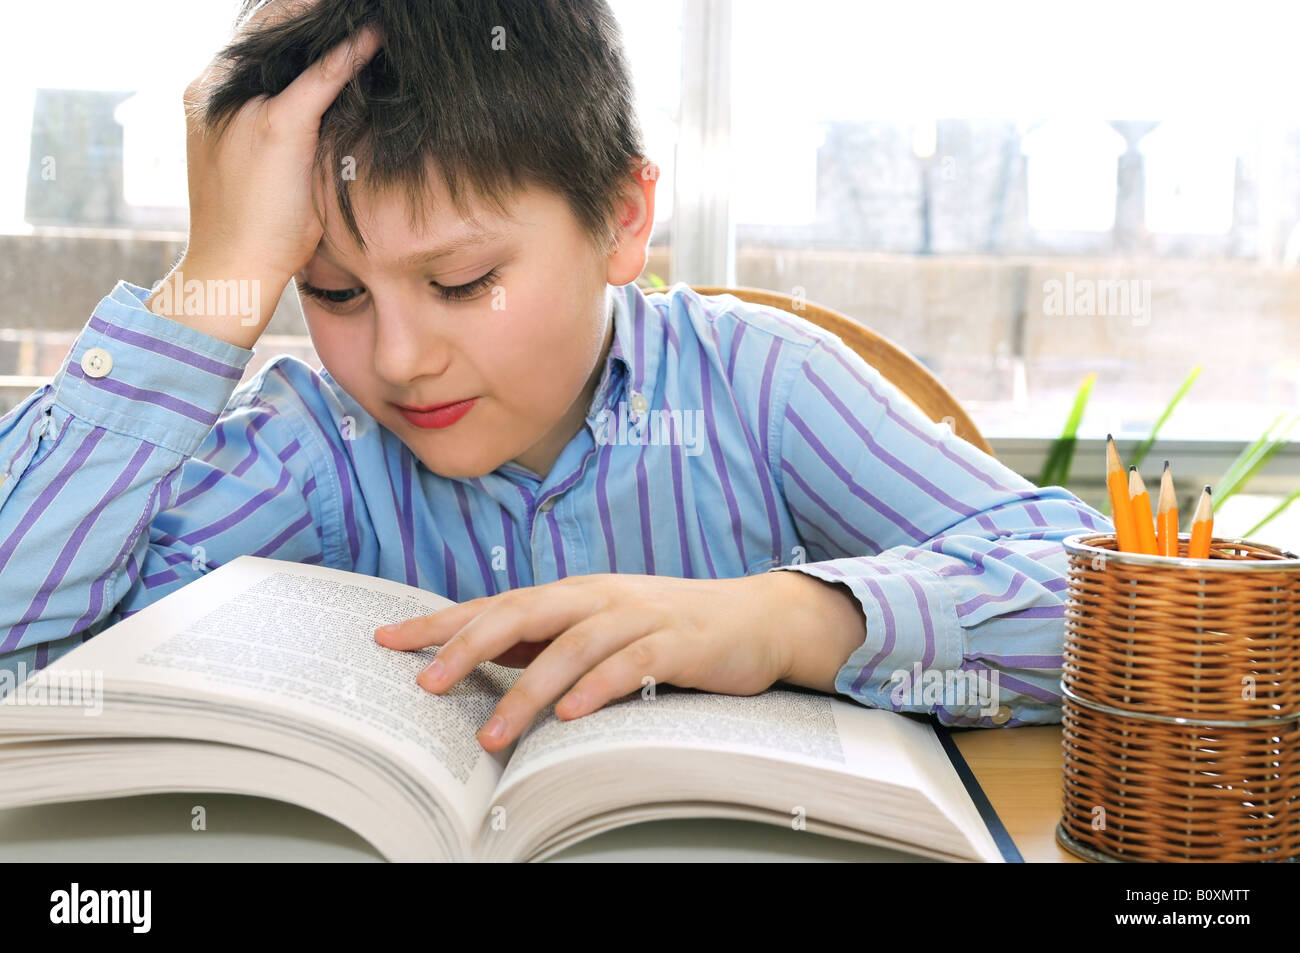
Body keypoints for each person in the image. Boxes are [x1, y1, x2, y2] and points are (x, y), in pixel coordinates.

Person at [0, 0, 1110, 752]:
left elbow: (1113, 603)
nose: (397, 357)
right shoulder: (314, 445)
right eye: (331, 293)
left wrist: (793, 621)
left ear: (622, 219)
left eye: (465, 277)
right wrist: (220, 277)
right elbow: (24, 658)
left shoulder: (759, 384)